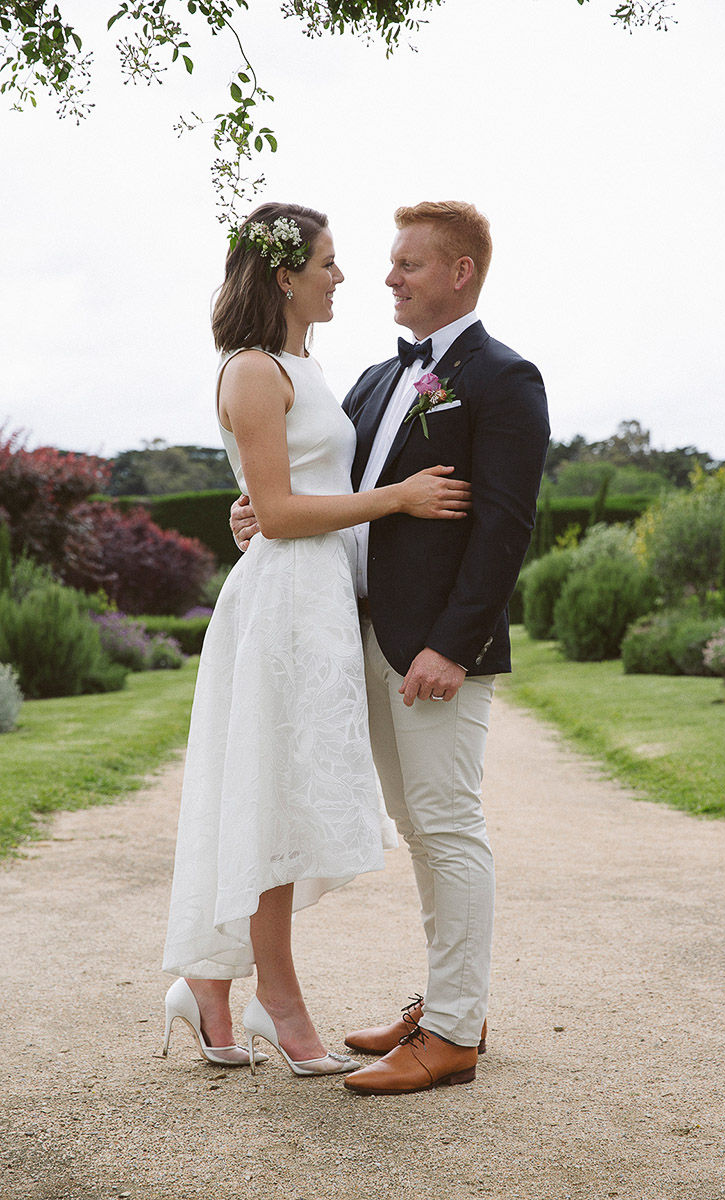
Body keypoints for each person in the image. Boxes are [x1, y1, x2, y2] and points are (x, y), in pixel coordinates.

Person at [230, 200, 550, 1095]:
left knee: (449, 824)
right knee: (421, 827)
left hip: (438, 652)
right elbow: (326, 487)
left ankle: (450, 1035)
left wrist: (454, 644)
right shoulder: (372, 378)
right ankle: (454, 1000)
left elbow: (506, 527)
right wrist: (256, 508)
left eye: (408, 264)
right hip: (362, 634)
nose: (386, 277)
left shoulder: (504, 378)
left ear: (459, 273)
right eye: (387, 261)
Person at [161, 202, 472, 1079]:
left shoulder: (307, 363)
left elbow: (293, 489)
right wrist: (398, 498)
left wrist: (277, 504)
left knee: (286, 800)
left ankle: (210, 984)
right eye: (330, 263)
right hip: (281, 608)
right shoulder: (253, 370)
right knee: (274, 800)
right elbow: (287, 512)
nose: (345, 276)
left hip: (319, 603)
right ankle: (275, 999)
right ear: (285, 275)